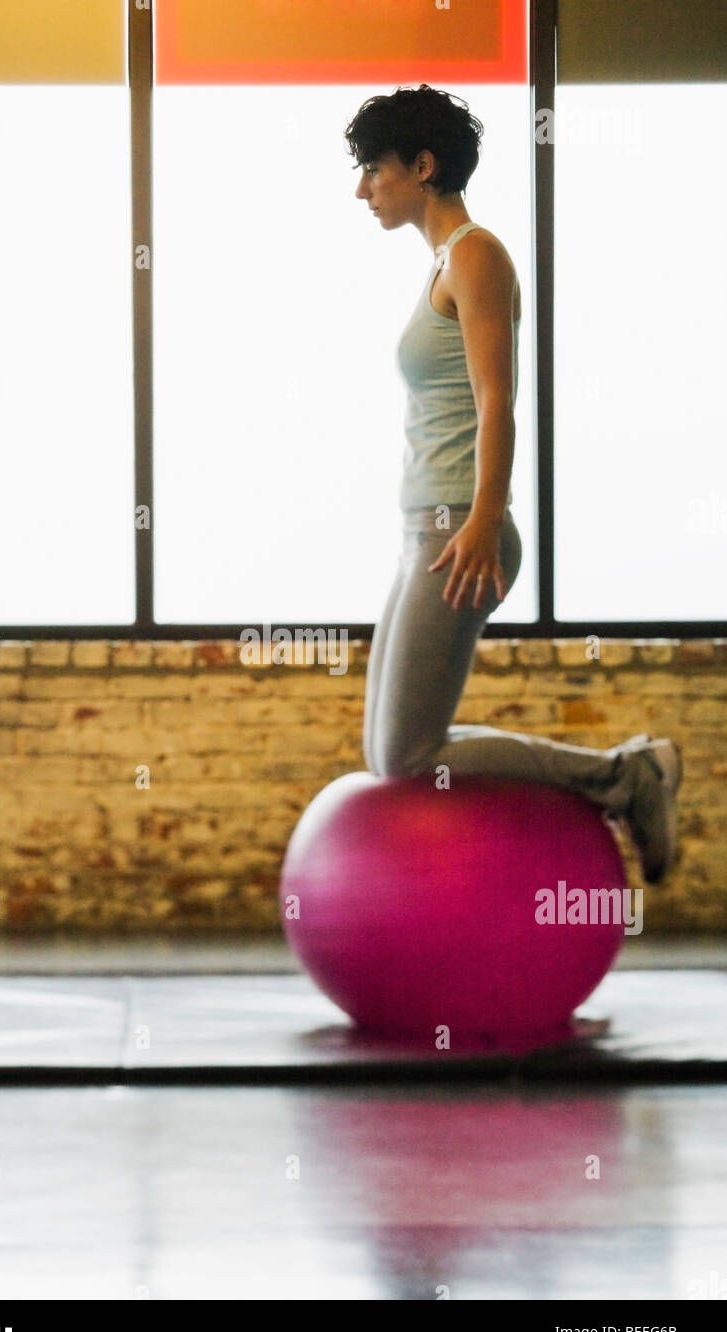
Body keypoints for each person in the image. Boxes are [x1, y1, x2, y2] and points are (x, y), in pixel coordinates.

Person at [344, 84, 681, 884]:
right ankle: (625, 775)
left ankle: (628, 777)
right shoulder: (443, 262)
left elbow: (500, 398)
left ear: (422, 167)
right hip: (425, 528)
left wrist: (484, 521)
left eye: (373, 170)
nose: (362, 189)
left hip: (460, 525)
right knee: (387, 752)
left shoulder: (476, 253)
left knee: (406, 754)